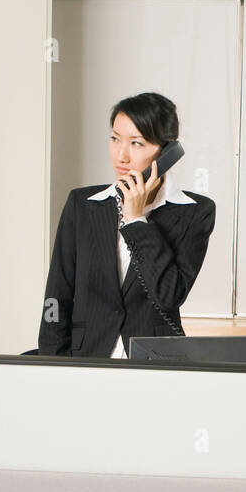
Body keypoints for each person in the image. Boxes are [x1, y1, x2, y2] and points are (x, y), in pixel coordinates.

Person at [38, 92, 215, 358]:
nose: (121, 156)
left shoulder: (195, 211)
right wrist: (52, 368)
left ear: (167, 152)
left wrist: (136, 220)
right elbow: (56, 297)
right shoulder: (82, 205)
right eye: (115, 139)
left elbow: (169, 294)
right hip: (87, 360)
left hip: (153, 366)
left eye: (137, 143)